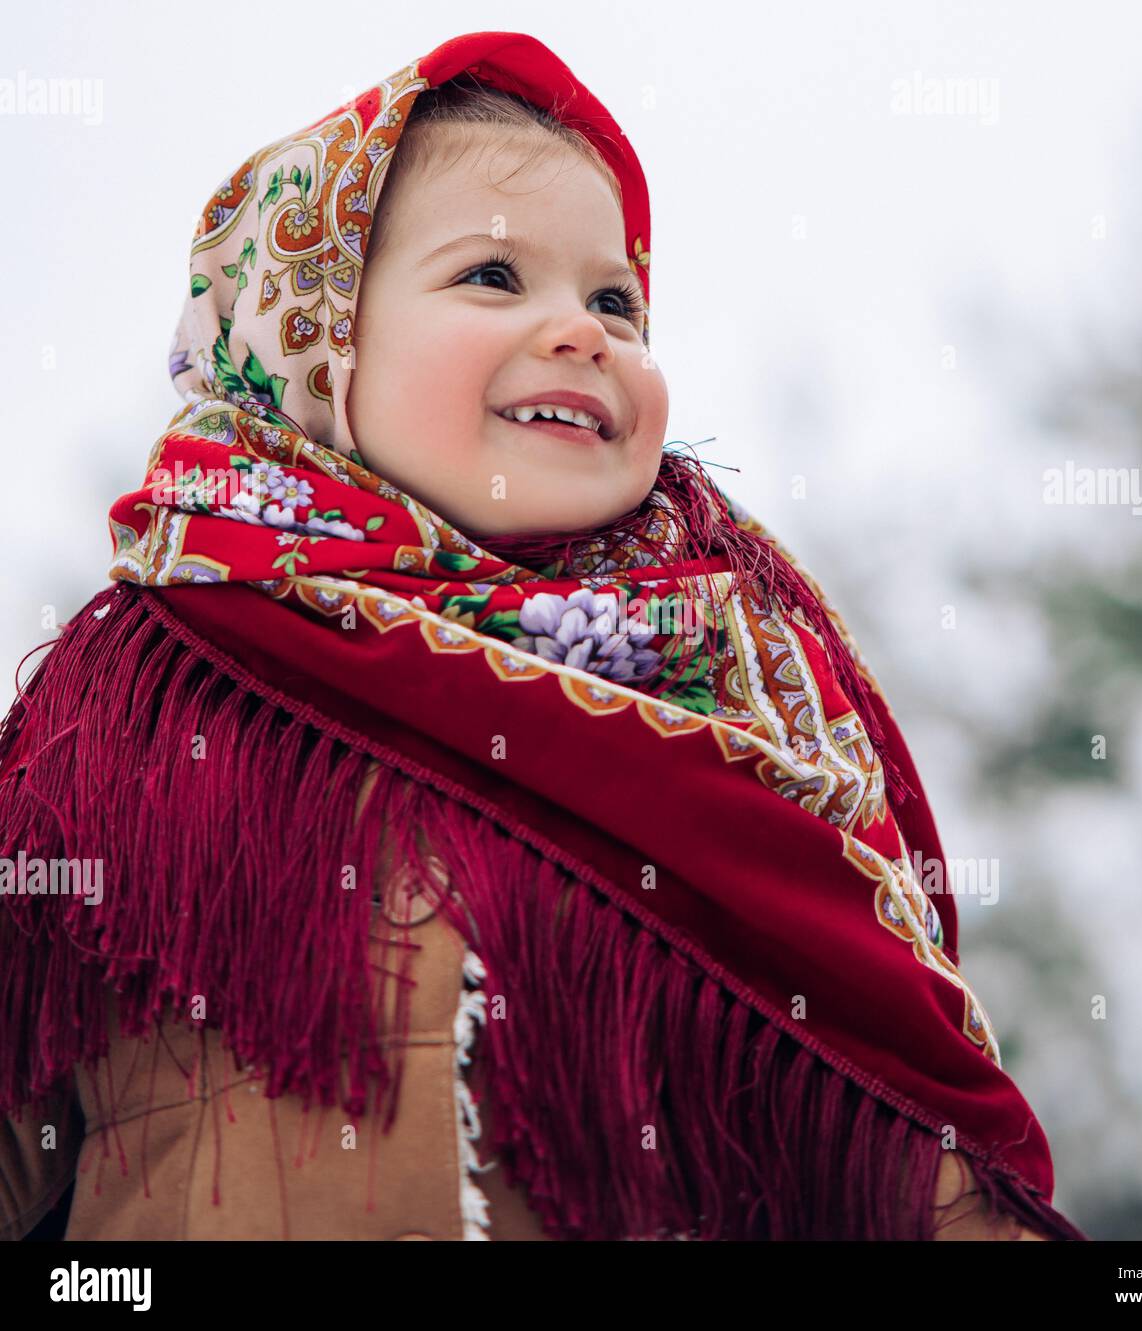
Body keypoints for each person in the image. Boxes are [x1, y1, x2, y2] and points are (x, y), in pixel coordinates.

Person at [0, 31, 1085, 1242]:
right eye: (494, 279)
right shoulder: (146, 695)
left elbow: (889, 1131)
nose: (585, 330)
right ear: (310, 338)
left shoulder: (732, 694)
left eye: (614, 297)